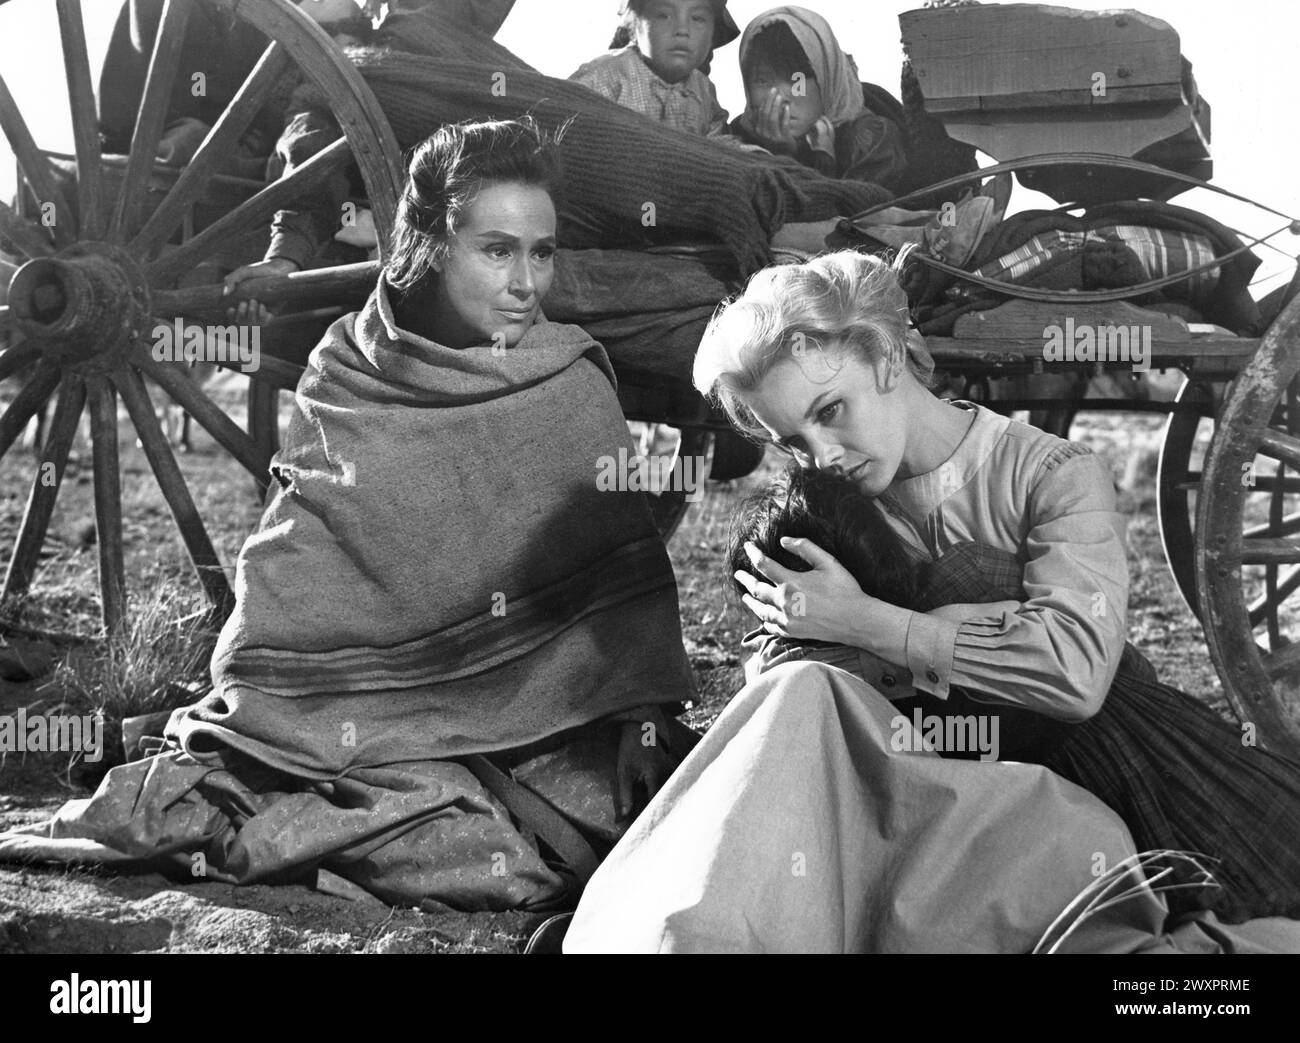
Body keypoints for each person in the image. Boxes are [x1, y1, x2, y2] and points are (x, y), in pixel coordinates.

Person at [0, 118, 697, 911]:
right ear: (432, 243)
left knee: (587, 827)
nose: (526, 281)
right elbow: (298, 573)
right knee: (372, 814)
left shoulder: (571, 385)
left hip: (552, 726)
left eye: (542, 251)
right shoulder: (349, 374)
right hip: (360, 720)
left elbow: (625, 590)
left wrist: (641, 712)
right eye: (497, 250)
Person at [560, 250, 1300, 952]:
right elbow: (787, 709)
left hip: (1124, 767)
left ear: (884, 358)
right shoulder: (823, 508)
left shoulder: (1057, 473)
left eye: (832, 409)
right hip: (944, 800)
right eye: (794, 439)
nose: (824, 454)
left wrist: (868, 623)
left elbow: (1074, 672)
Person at [725, 464, 1300, 924]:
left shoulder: (953, 593)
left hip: (1106, 759)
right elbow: (1128, 666)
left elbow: (771, 681)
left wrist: (844, 627)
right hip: (1141, 746)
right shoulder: (970, 576)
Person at [730, 7, 908, 189]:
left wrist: (804, 161)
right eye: (762, 81)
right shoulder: (735, 139)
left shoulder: (868, 139)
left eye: (796, 80)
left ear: (827, 79)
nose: (780, 97)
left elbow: (859, 209)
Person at [570, 0, 738, 137]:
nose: (682, 30)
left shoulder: (703, 89)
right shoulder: (606, 77)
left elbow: (717, 140)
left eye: (697, 18)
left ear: (712, 35)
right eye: (664, 16)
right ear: (634, 26)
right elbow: (561, 122)